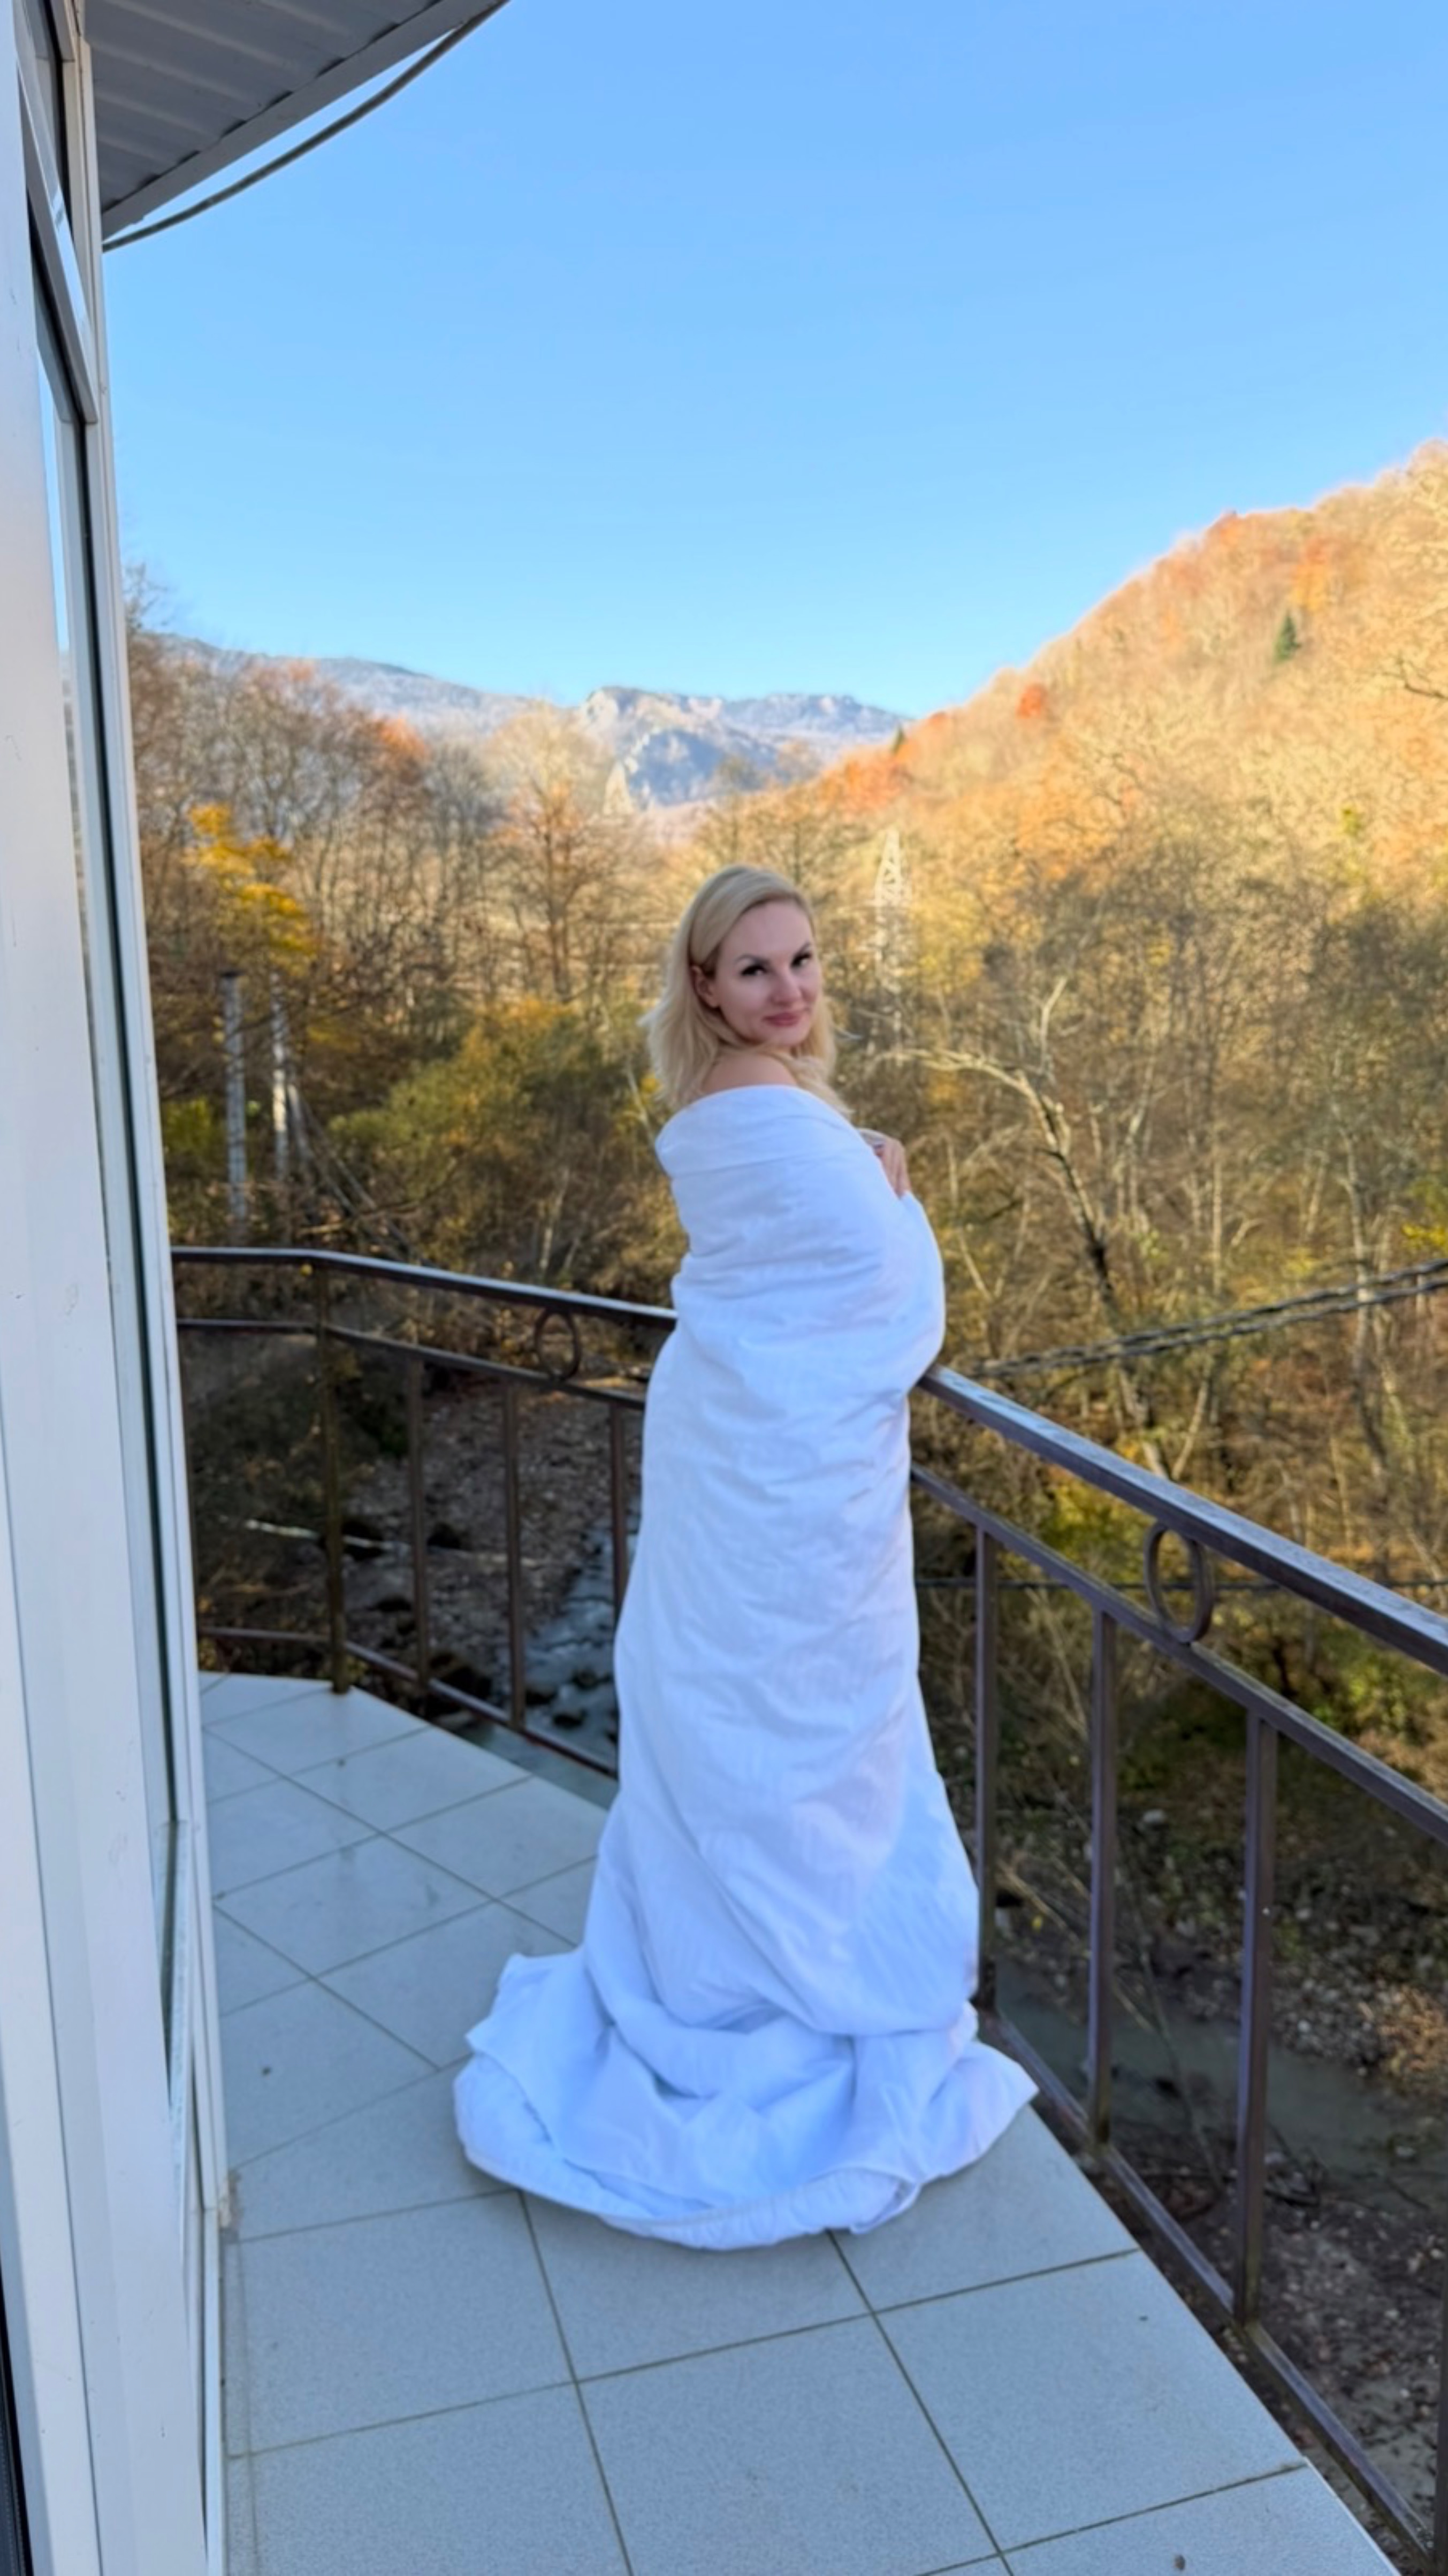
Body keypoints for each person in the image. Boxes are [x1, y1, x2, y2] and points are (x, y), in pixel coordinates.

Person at [453, 862, 1034, 2246]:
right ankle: (797, 1969)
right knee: (810, 1721)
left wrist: (859, 1163)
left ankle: (714, 1954)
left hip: (728, 1449)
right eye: (756, 968)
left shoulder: (724, 1107)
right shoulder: (777, 1119)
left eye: (804, 959)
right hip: (788, 1487)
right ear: (705, 986)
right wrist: (898, 1188)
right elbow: (899, 1305)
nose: (789, 989)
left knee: (732, 1710)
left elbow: (783, 1279)